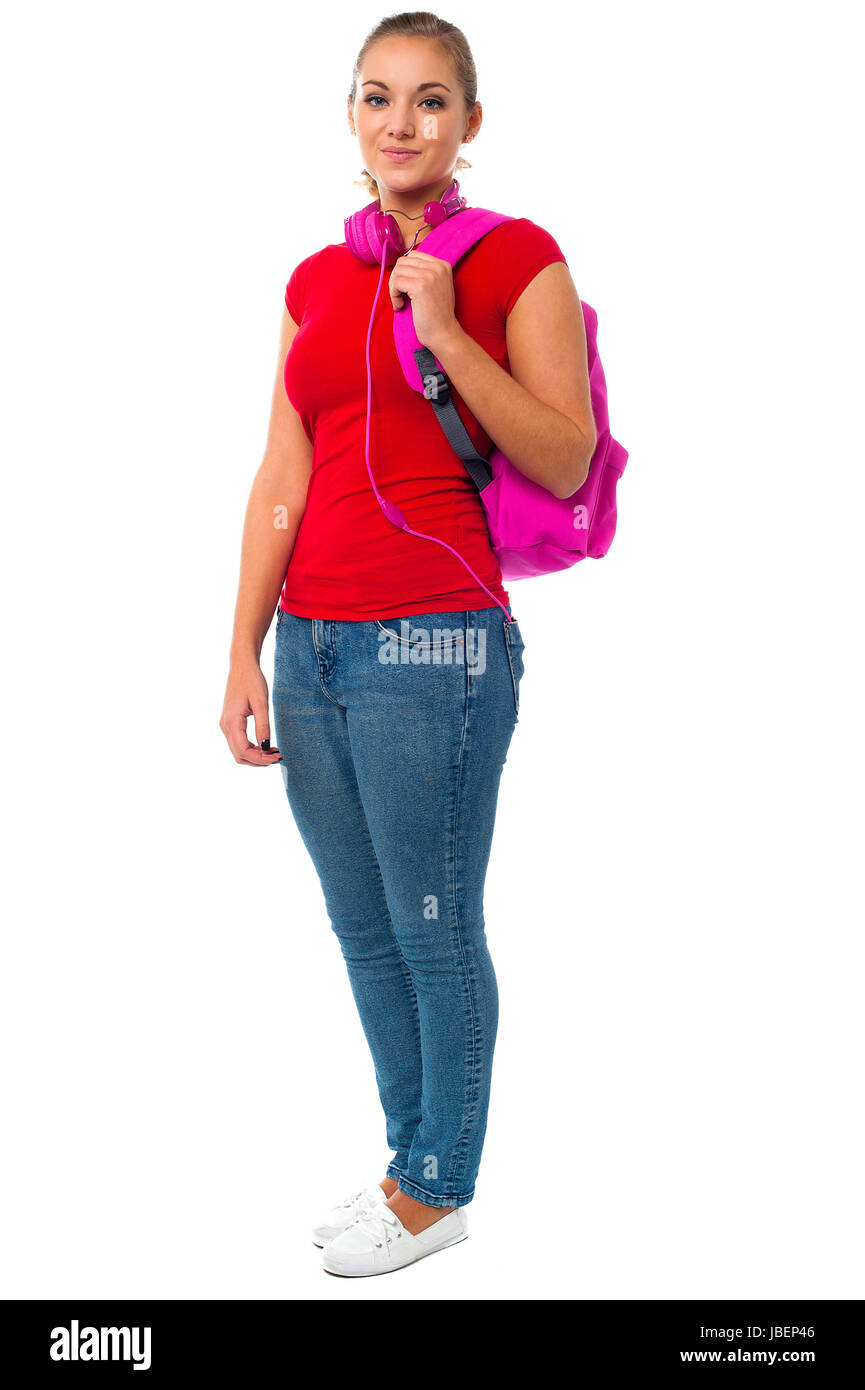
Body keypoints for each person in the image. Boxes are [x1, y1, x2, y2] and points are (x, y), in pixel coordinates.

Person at [219, 11, 596, 1278]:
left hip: (433, 645)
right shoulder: (316, 281)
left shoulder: (515, 260)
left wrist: (443, 332)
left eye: (431, 101)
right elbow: (284, 465)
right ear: (351, 117)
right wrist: (240, 650)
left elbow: (565, 452)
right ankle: (410, 1165)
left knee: (433, 923)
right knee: (363, 923)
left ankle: (442, 1183)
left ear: (470, 125)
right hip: (313, 650)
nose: (400, 122)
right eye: (377, 97)